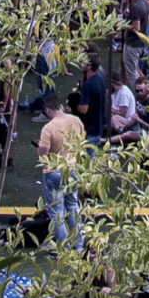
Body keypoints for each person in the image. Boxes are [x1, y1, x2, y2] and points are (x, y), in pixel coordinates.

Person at [36, 90, 86, 245]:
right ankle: (78, 245)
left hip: (54, 172)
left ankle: (63, 248)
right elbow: (81, 144)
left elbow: (43, 155)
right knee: (72, 206)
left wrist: (39, 150)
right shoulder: (76, 121)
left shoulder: (48, 128)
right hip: (73, 169)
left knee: (56, 212)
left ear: (47, 110)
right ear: (61, 107)